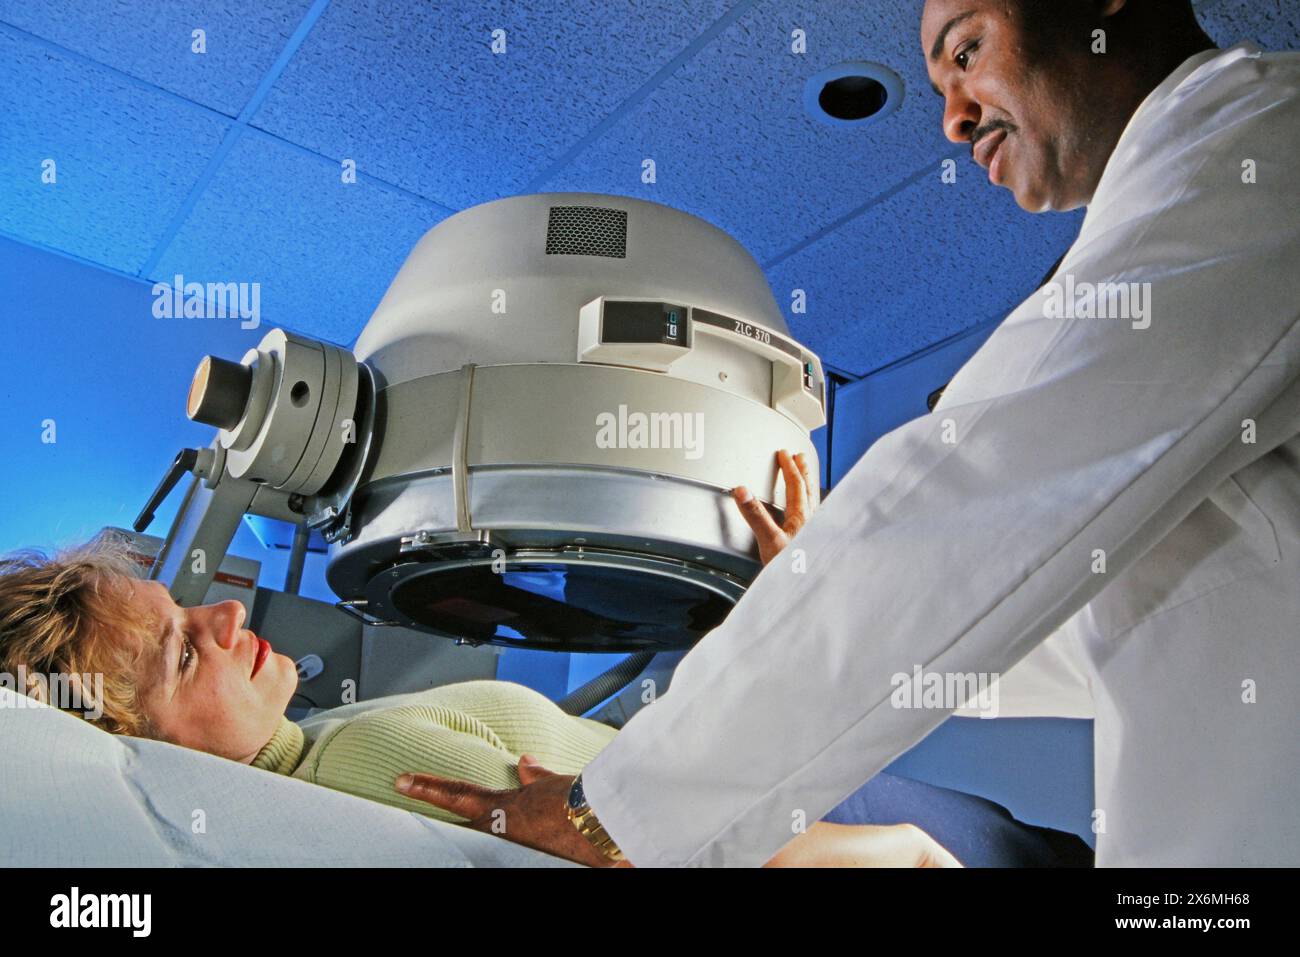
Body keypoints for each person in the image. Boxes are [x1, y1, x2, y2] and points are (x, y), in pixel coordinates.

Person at [393, 0, 1300, 867]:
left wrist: (619, 810)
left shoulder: (1263, 143)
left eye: (966, 49)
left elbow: (973, 505)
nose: (950, 118)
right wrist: (804, 587)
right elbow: (1058, 605)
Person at [0, 451, 1089, 866]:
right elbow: (664, 851)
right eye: (189, 652)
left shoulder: (322, 748)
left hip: (818, 792)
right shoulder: (351, 779)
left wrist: (771, 619)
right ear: (121, 738)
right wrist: (890, 852)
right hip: (865, 827)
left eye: (197, 610)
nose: (231, 620)